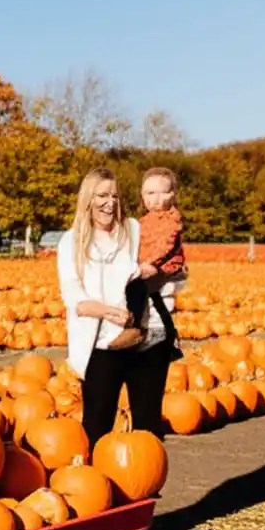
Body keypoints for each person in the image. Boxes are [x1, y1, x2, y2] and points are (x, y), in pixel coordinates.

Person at [55, 168, 175, 450]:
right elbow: (74, 297)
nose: (109, 202)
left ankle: (145, 488)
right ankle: (98, 488)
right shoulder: (71, 242)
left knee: (148, 431)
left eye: (114, 196)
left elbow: (166, 251)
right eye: (102, 195)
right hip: (101, 344)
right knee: (96, 430)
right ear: (88, 199)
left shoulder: (134, 230)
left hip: (144, 341)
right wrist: (109, 312)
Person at [109, 166, 188, 352]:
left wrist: (147, 263)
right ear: (142, 196)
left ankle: (145, 332)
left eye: (163, 193)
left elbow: (164, 246)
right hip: (150, 268)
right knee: (148, 300)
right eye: (150, 193)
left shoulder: (170, 220)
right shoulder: (145, 220)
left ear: (173, 195)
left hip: (166, 271)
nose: (155, 199)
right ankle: (150, 332)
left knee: (156, 301)